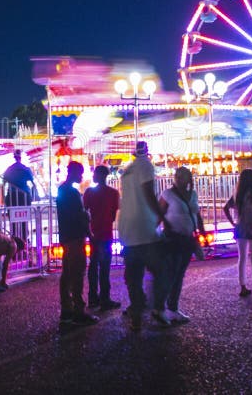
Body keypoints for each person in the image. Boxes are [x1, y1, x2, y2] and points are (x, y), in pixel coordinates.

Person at [117, 141, 171, 330]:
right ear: (147, 152)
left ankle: (137, 314)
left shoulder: (127, 170)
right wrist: (162, 215)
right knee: (161, 270)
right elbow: (148, 192)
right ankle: (157, 307)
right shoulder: (146, 166)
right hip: (144, 229)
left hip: (127, 229)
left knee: (133, 276)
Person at [158, 166, 204, 323]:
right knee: (172, 273)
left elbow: (197, 214)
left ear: (189, 179)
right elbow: (159, 213)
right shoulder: (168, 194)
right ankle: (161, 307)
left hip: (188, 239)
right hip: (173, 239)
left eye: (182, 176)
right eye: (177, 175)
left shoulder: (193, 194)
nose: (178, 178)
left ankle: (172, 307)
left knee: (179, 274)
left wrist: (201, 232)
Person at [56, 161, 98, 326]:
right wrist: (89, 232)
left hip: (66, 236)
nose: (82, 176)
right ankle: (78, 310)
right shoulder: (72, 193)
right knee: (77, 273)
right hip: (75, 236)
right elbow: (80, 216)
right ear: (74, 173)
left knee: (67, 273)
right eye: (80, 173)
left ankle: (66, 308)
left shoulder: (62, 190)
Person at [82, 165, 122, 310]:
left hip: (94, 233)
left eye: (95, 174)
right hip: (106, 233)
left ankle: (93, 297)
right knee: (104, 267)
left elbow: (84, 212)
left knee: (93, 266)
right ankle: (105, 298)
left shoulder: (89, 192)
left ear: (99, 176)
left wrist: (88, 231)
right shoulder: (113, 193)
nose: (93, 176)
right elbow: (112, 215)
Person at [223, 168, 252, 299]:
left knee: (242, 258)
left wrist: (233, 223)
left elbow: (225, 208)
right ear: (250, 179)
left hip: (240, 227)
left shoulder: (237, 194)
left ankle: (243, 286)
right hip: (251, 228)